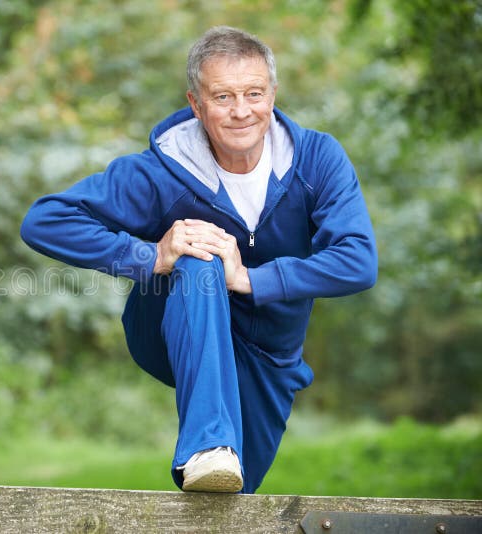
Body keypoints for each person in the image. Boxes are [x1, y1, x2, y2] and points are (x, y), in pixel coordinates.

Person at [20, 26, 377, 493]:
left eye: (254, 93)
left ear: (273, 94)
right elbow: (46, 220)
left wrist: (248, 278)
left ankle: (214, 458)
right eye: (223, 96)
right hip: (171, 328)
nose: (241, 110)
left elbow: (357, 260)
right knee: (199, 250)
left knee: (230, 495)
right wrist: (150, 256)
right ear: (196, 104)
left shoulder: (317, 160)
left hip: (268, 353)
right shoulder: (162, 171)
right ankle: (207, 443)